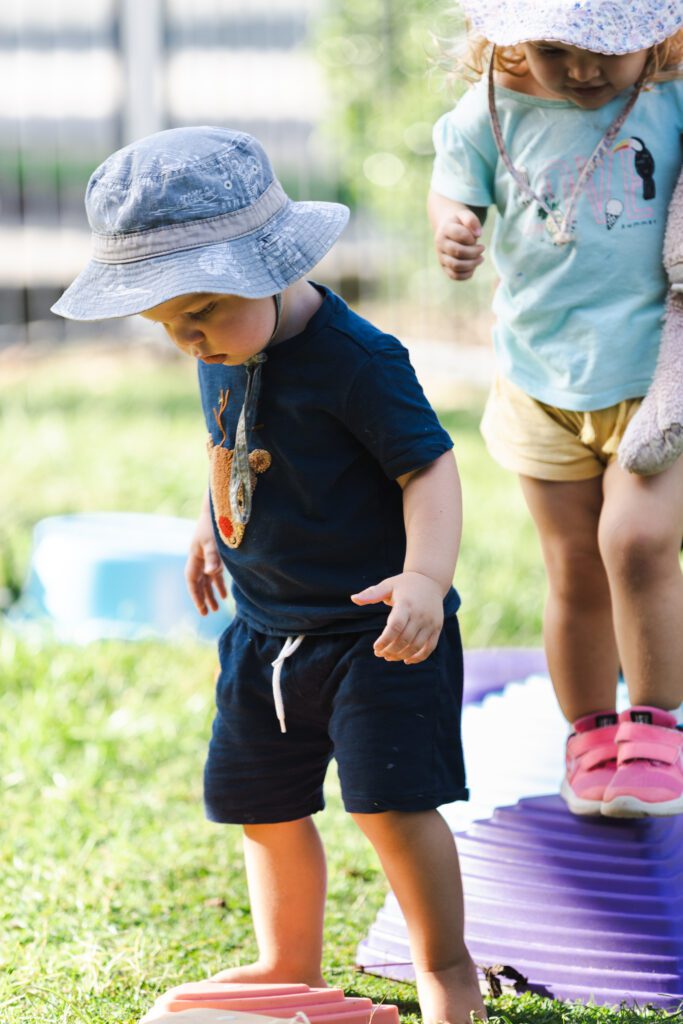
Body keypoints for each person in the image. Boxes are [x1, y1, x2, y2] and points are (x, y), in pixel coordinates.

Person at [52, 127, 486, 1024]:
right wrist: (209, 523)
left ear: (267, 265)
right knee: (264, 805)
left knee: (390, 808)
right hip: (263, 629)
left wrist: (422, 577)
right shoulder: (224, 342)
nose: (186, 341)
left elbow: (428, 468)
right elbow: (232, 441)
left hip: (374, 633)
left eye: (198, 314)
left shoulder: (359, 361)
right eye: (166, 324)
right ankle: (284, 959)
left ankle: (445, 970)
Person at [428, 0, 683, 818]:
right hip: (539, 380)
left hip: (655, 381)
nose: (580, 69)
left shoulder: (667, 98)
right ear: (503, 38)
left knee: (636, 543)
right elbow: (451, 190)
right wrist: (455, 226)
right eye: (552, 47)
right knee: (574, 568)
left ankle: (653, 729)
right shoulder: (487, 114)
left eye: (604, 48)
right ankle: (592, 736)